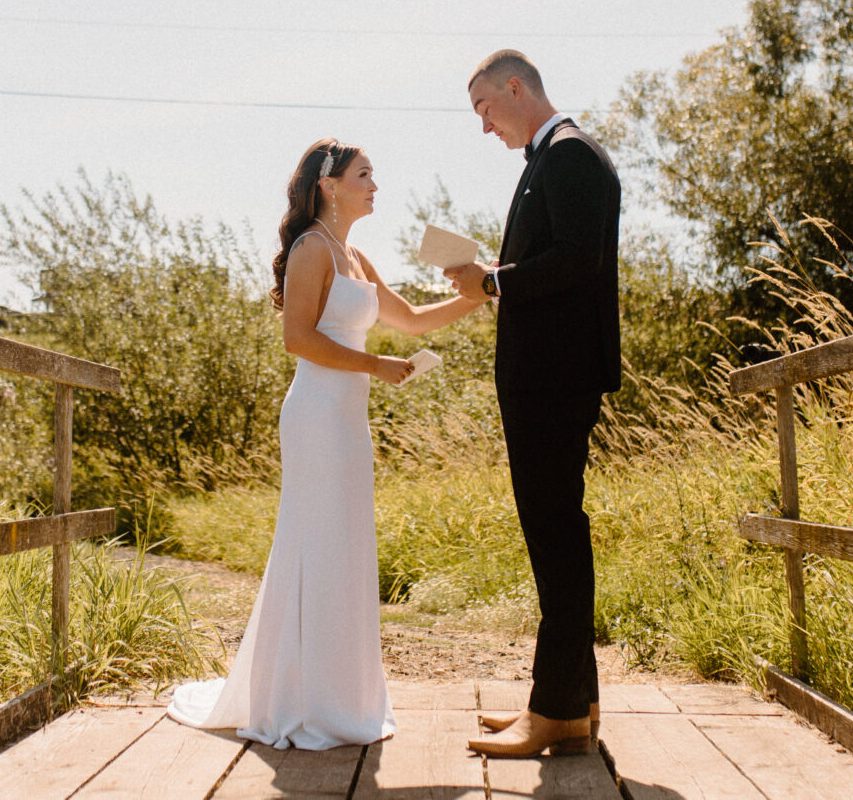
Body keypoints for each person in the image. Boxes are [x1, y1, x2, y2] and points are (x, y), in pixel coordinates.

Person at [166, 137, 482, 750]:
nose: (374, 185)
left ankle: (341, 697)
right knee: (316, 543)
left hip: (347, 423)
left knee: (346, 546)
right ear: (330, 184)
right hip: (315, 416)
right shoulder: (313, 248)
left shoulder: (356, 256)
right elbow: (299, 341)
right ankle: (301, 700)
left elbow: (413, 319)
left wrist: (477, 296)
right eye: (365, 174)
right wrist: (377, 366)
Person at [445, 50, 621, 758]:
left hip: (554, 381)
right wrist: (494, 272)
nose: (484, 127)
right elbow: (559, 260)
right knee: (555, 537)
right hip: (545, 378)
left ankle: (554, 710)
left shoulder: (571, 155)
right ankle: (572, 704)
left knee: (557, 539)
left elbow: (580, 261)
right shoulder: (548, 161)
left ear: (515, 88)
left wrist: (494, 284)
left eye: (485, 108)